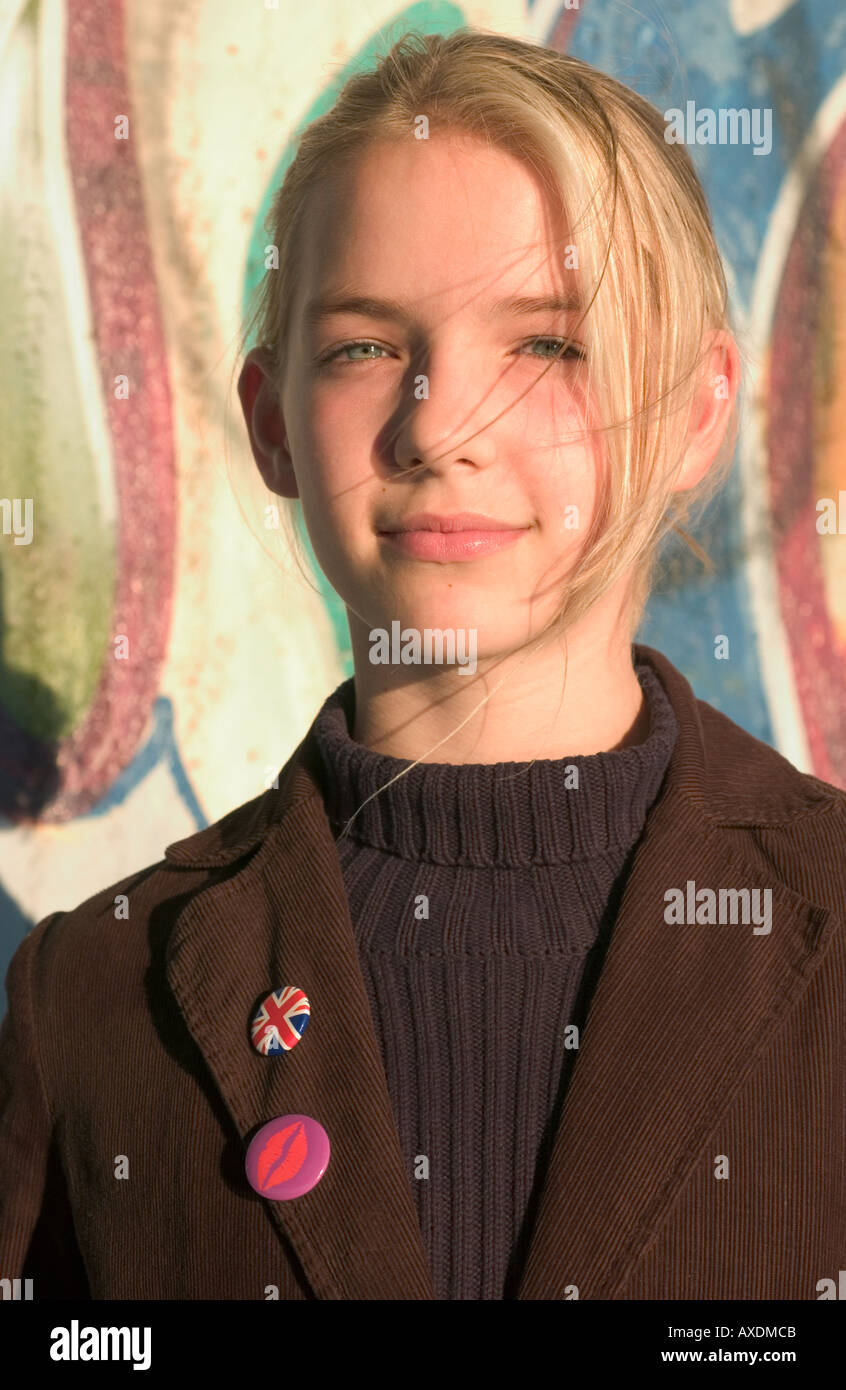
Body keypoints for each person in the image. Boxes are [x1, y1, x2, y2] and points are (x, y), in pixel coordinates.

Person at [1, 29, 843, 1302]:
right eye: (363, 347)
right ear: (272, 422)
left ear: (695, 408)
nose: (441, 423)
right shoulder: (92, 997)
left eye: (548, 344)